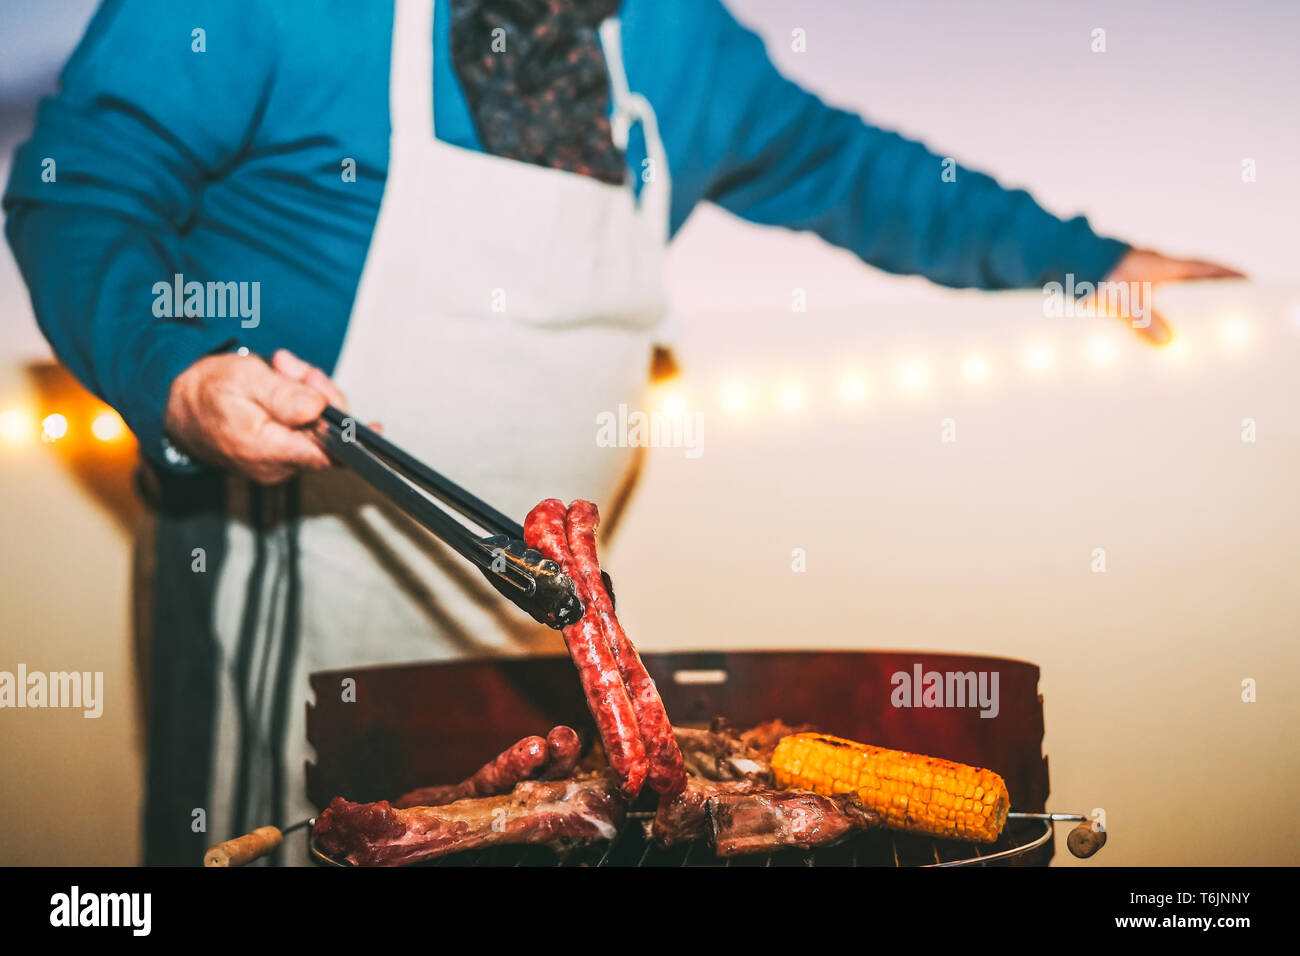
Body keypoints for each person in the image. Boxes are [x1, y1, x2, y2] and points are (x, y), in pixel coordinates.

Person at [3, 0, 1240, 865]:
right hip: (296, 580)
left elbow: (855, 170)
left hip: (549, 631)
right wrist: (179, 380)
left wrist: (1096, 262)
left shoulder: (671, 32)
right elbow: (78, 190)